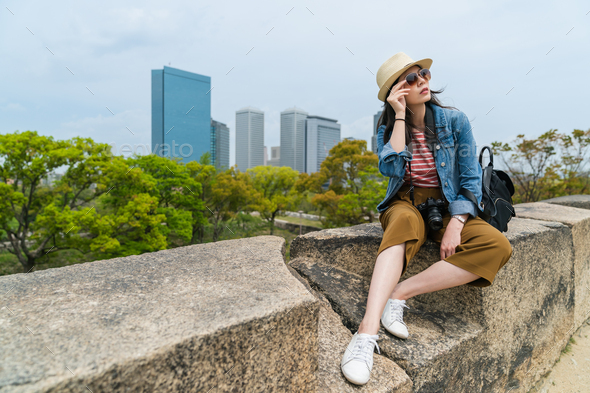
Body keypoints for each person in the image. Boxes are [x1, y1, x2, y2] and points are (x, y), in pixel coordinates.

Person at [340, 52, 513, 385]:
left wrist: (458, 223)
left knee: (497, 245)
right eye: (410, 79)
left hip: (449, 204)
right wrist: (401, 117)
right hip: (406, 201)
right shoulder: (387, 125)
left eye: (424, 74)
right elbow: (390, 167)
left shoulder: (455, 121)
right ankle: (365, 335)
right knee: (403, 223)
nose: (422, 81)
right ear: (396, 91)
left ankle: (400, 293)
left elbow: (471, 179)